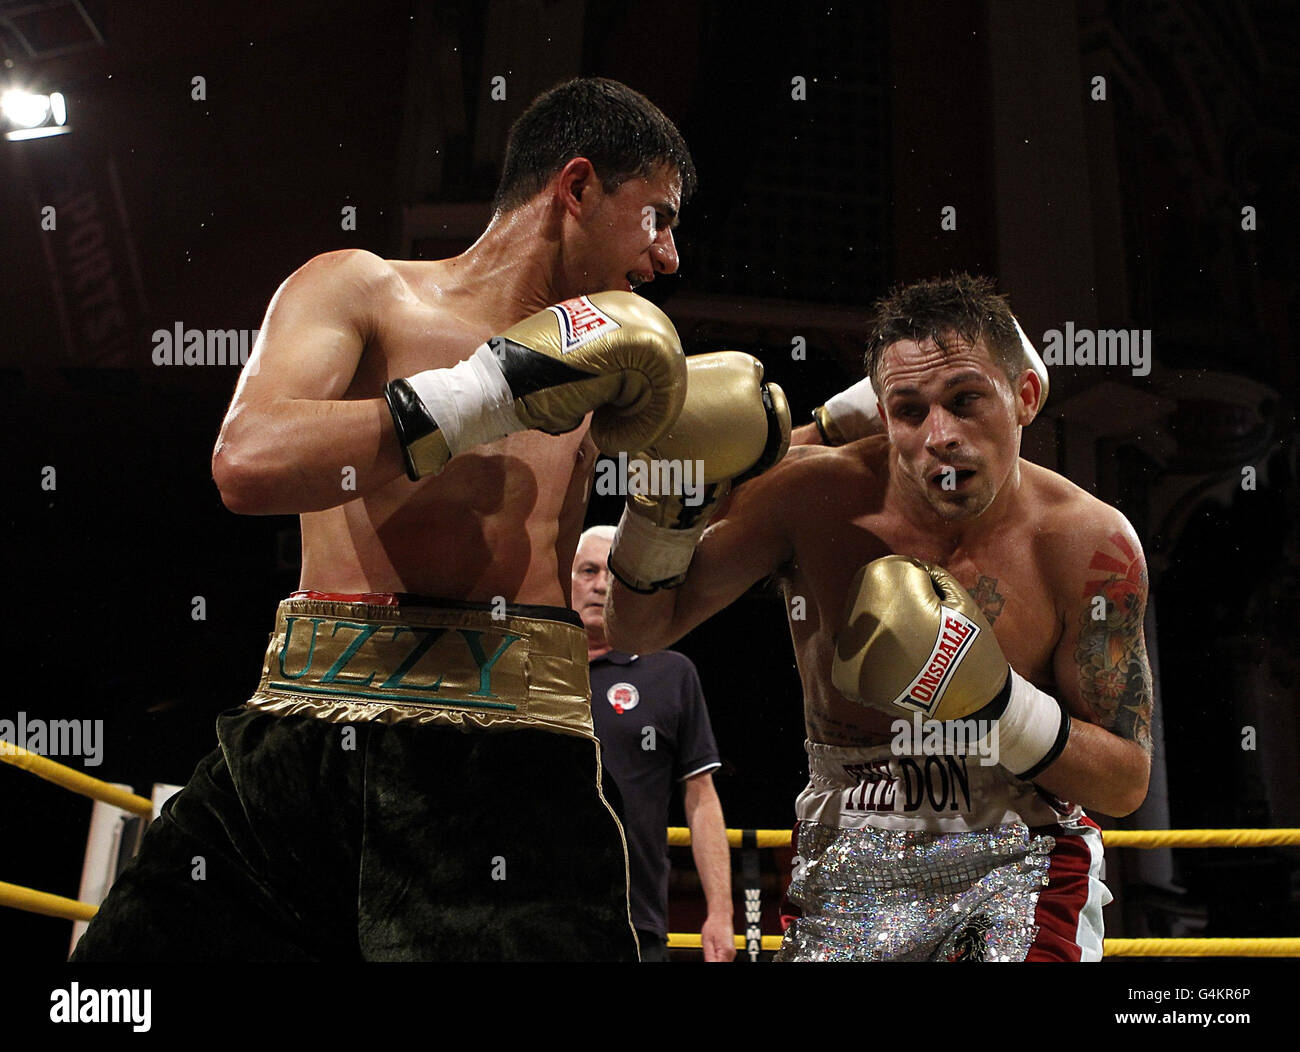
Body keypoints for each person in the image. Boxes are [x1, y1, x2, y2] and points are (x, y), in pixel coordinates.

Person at [72, 77, 705, 962]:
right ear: (578, 186)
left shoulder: (628, 372)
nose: (668, 256)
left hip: (515, 769)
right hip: (302, 747)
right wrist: (480, 394)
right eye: (659, 217)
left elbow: (639, 624)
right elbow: (247, 463)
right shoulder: (363, 290)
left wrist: (677, 514)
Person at [605, 274, 1153, 962]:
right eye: (910, 410)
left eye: (965, 401)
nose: (941, 436)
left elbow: (1126, 783)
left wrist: (1000, 707)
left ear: (1026, 397)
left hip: (1021, 856)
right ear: (883, 415)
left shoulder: (1087, 544)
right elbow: (635, 630)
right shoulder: (812, 496)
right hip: (849, 854)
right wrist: (661, 509)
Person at [572, 525, 735, 963]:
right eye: (588, 571)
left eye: (613, 574)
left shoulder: (670, 672)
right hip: (535, 916)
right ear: (565, 581)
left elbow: (701, 797)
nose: (601, 584)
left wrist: (720, 912)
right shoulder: (535, 669)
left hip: (635, 919)